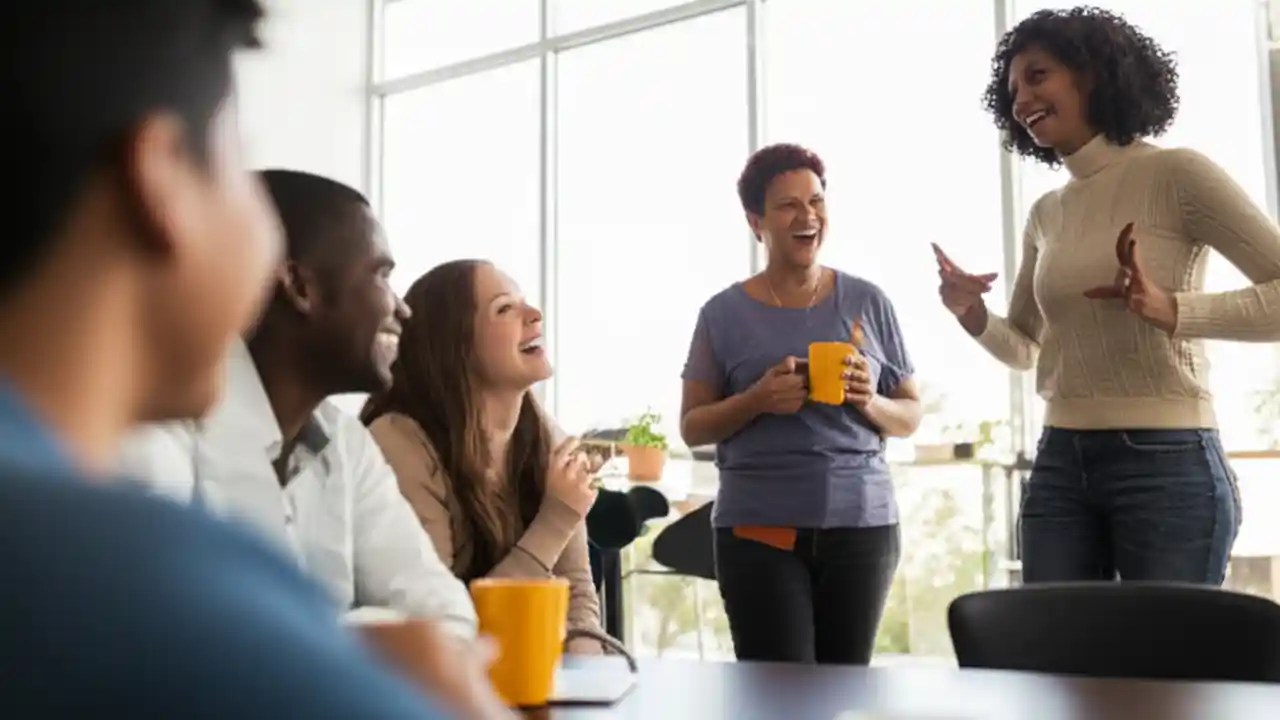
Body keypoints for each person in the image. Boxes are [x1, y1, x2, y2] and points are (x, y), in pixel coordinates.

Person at [0, 1, 510, 718]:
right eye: (238, 168)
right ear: (162, 178)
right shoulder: (110, 568)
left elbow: (435, 613)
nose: (403, 308)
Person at [933, 6, 1277, 584]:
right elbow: (1024, 347)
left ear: (1092, 74)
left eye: (1037, 76)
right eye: (1013, 88)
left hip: (1167, 461)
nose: (1021, 100)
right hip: (1060, 461)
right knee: (1057, 661)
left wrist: (1172, 310)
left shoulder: (1178, 174)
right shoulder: (1048, 211)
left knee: (1162, 666)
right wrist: (970, 313)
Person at [117, 170, 476, 637]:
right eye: (381, 275)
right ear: (300, 286)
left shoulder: (347, 445)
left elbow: (449, 619)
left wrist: (318, 639)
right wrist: (365, 639)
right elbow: (165, 639)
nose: (401, 307)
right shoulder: (154, 433)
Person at [680, 144, 922, 665]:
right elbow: (693, 427)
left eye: (815, 201)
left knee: (842, 688)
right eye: (788, 205)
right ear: (756, 222)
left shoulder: (867, 301)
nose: (807, 216)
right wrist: (757, 400)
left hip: (863, 526)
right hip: (758, 529)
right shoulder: (721, 314)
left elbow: (909, 414)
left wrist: (868, 400)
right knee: (779, 695)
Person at [362, 259, 612, 654]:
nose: (535, 315)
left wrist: (591, 689)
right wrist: (556, 520)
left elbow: (577, 600)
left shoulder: (547, 437)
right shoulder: (400, 444)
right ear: (456, 346)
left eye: (524, 303)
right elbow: (437, 631)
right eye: (505, 308)